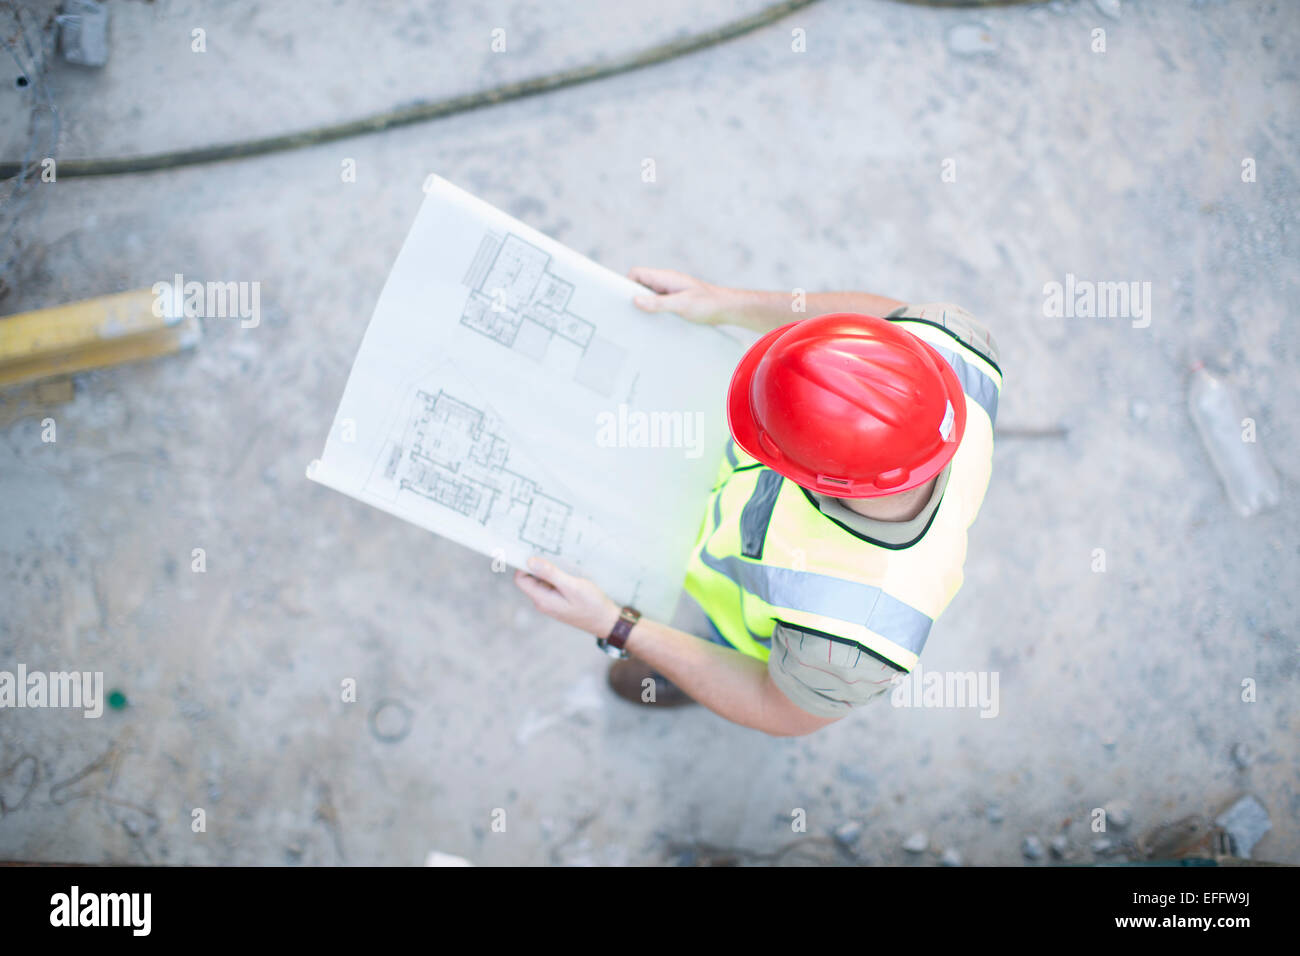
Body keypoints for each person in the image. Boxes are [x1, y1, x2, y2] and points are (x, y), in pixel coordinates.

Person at [514, 268, 1002, 737]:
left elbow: (775, 707)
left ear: (824, 479)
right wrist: (724, 303)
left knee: (749, 659)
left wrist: (617, 626)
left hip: (757, 624)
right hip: (710, 493)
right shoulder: (953, 343)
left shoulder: (848, 645)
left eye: (770, 433)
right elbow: (886, 321)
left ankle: (697, 659)